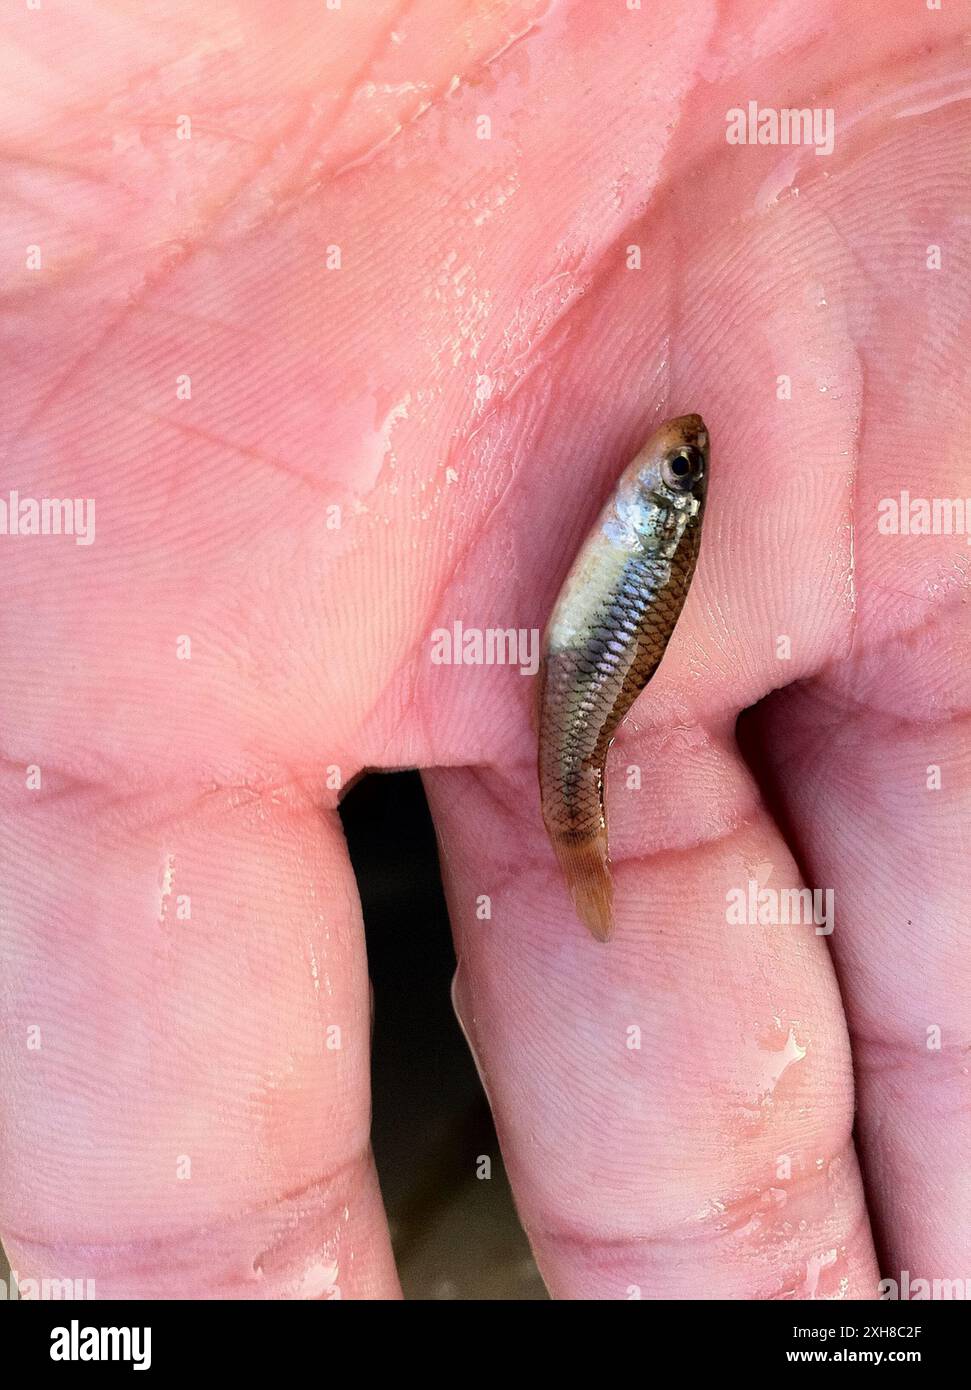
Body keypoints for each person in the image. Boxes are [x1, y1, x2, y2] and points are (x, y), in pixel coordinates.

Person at [1, 0, 968, 1299]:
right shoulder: (659, 504)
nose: (672, 461)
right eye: (680, 468)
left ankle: (570, 844)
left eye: (676, 471)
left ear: (660, 499)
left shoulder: (658, 509)